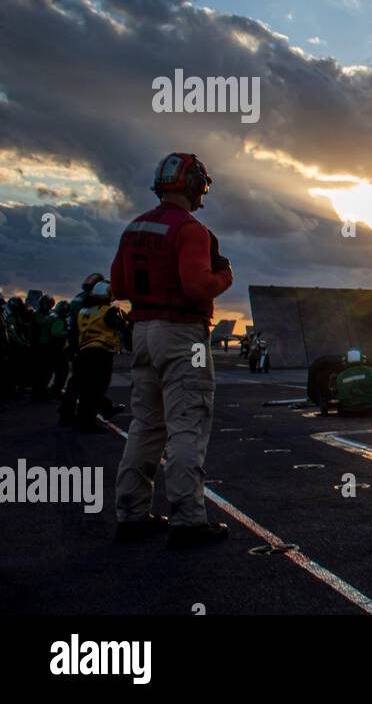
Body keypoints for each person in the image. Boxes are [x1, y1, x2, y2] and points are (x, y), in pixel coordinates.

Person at [111, 152, 233, 548]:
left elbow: (119, 286)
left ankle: (130, 512)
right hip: (181, 333)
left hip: (142, 330)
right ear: (194, 186)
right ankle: (188, 520)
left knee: (145, 424)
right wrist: (224, 276)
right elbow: (198, 286)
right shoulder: (191, 230)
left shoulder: (134, 227)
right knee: (188, 422)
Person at [70, 281, 127, 434]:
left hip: (83, 352)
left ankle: (83, 419)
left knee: (86, 389)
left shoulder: (83, 311)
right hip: (100, 353)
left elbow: (74, 333)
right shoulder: (108, 311)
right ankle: (88, 423)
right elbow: (120, 326)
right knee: (97, 388)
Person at [332, 349, 372, 418]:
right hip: (369, 411)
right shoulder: (370, 372)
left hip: (348, 412)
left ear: (345, 362)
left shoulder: (340, 377)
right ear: (363, 360)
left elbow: (337, 395)